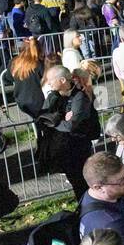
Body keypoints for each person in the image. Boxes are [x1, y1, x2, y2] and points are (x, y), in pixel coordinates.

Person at [38, 65, 100, 202]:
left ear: (62, 80)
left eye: (50, 80)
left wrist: (55, 122)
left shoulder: (80, 97)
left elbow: (71, 125)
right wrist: (61, 118)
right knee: (75, 182)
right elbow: (42, 119)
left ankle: (90, 209)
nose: (48, 83)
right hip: (62, 148)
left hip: (77, 148)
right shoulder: (53, 96)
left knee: (82, 182)